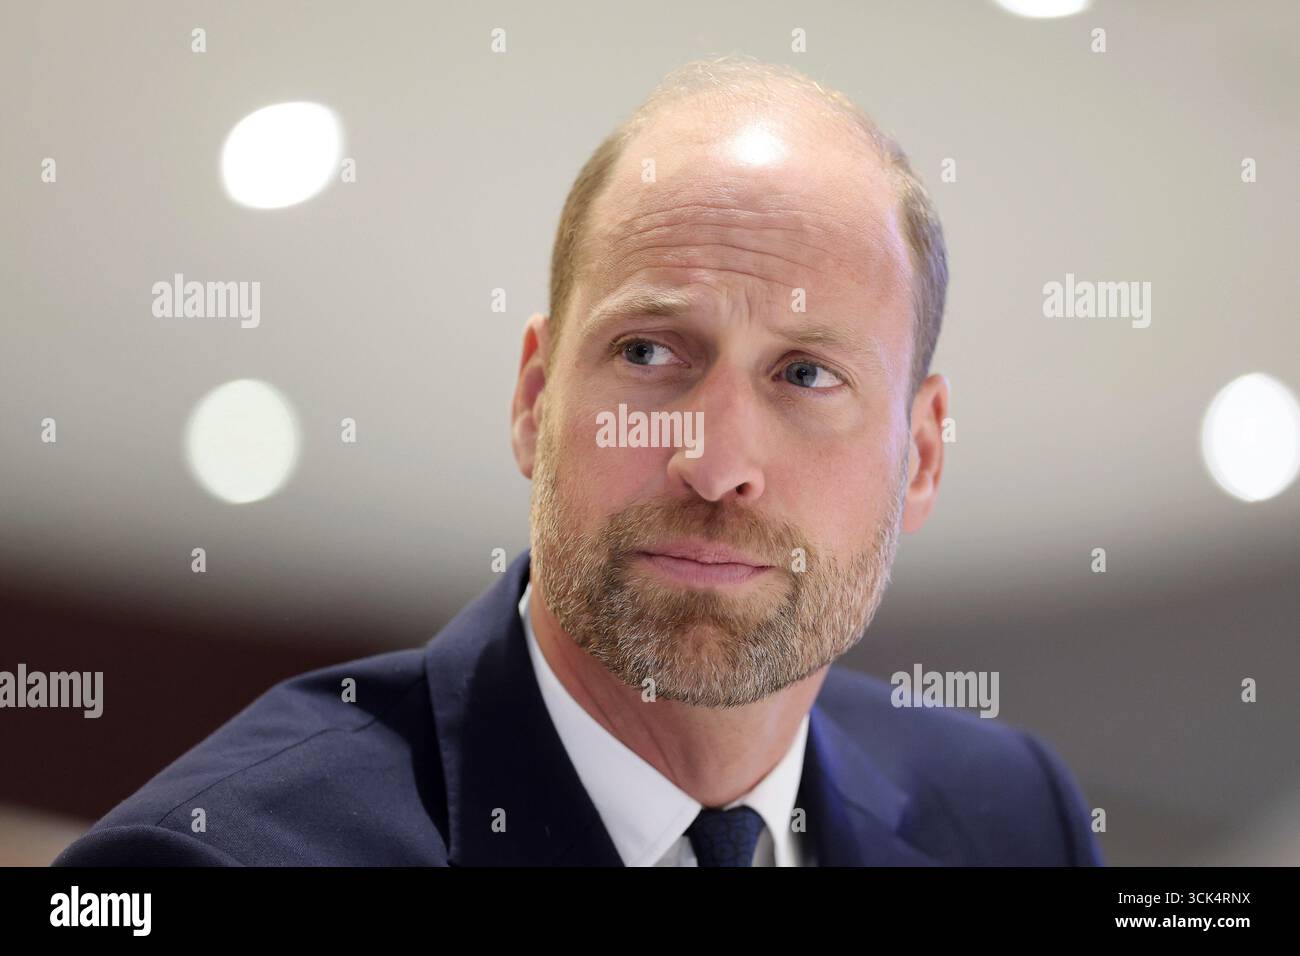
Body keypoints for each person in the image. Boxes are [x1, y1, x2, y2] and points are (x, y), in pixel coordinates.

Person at [54, 55, 1102, 867]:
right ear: (534, 397)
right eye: (648, 353)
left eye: (804, 374)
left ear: (919, 455)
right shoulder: (209, 860)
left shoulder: (1012, 818)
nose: (713, 460)